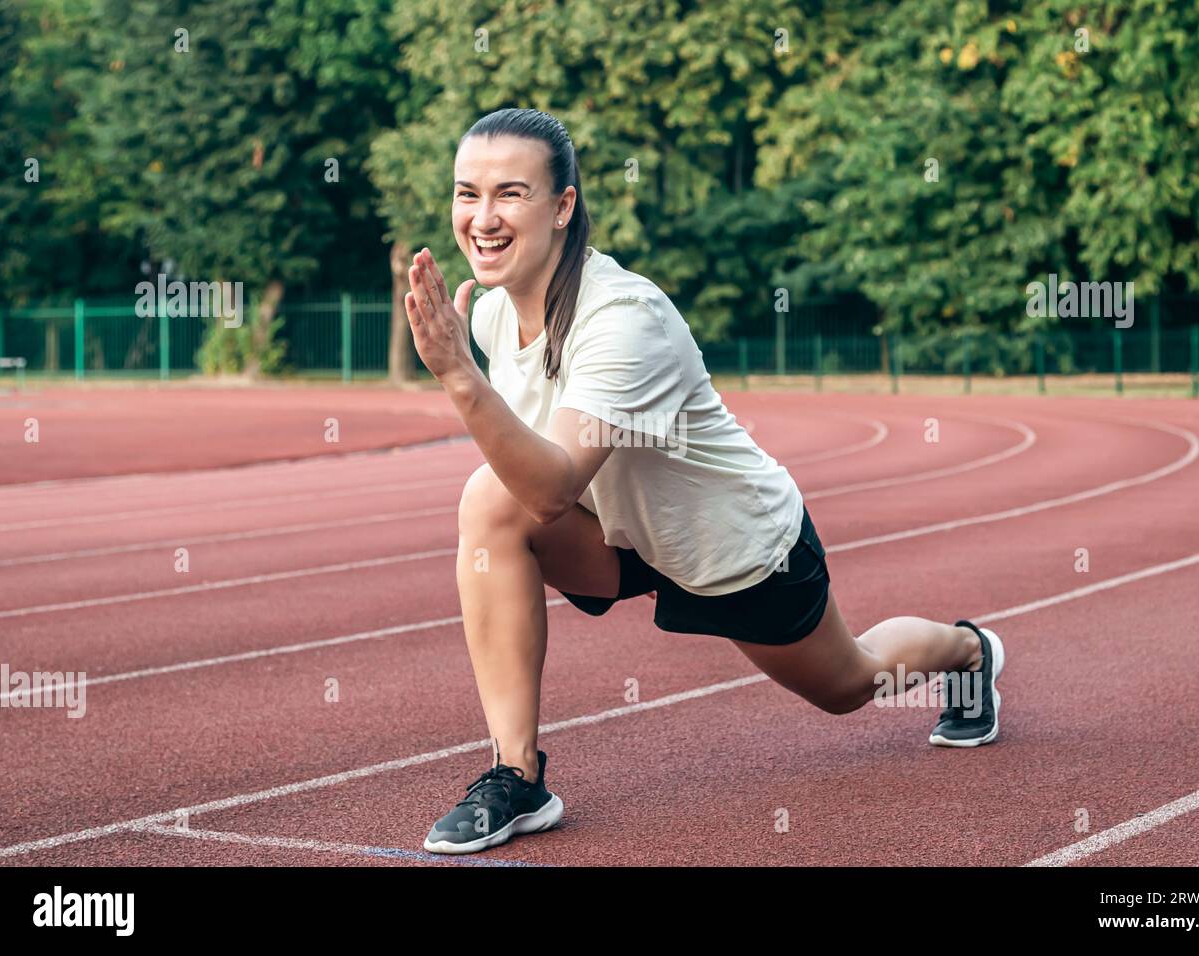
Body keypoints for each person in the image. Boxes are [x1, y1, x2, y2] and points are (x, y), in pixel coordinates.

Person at [403, 108, 1005, 855]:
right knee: (487, 505)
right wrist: (469, 366)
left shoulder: (624, 317)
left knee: (851, 684)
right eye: (468, 194)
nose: (483, 218)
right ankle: (516, 777)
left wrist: (460, 378)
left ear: (562, 207)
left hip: (735, 547)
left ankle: (969, 652)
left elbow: (554, 485)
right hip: (624, 536)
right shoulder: (491, 316)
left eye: (510, 194)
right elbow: (536, 487)